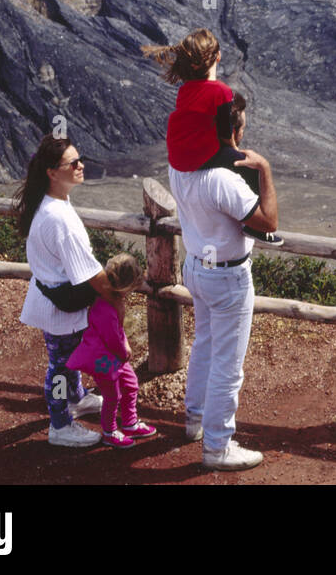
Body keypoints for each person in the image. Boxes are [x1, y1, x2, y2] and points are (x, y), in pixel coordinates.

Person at [168, 91, 281, 471]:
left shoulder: (179, 168)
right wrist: (263, 169)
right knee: (228, 365)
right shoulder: (222, 181)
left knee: (204, 343)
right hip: (229, 277)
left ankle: (194, 420)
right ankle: (218, 446)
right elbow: (268, 222)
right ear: (236, 129)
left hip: (197, 268)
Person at [16, 135, 114, 447]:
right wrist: (115, 295)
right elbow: (86, 270)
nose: (81, 165)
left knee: (67, 357)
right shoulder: (59, 219)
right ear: (52, 172)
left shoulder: (49, 204)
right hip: (61, 303)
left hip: (50, 296)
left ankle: (77, 397)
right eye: (73, 163)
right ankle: (60, 424)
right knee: (59, 367)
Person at [143, 29, 282, 247]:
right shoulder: (222, 92)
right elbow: (226, 134)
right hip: (200, 158)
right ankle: (254, 226)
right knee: (249, 165)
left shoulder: (185, 90)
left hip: (178, 158)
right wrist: (237, 152)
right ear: (218, 57)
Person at [65, 253, 158, 448]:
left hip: (114, 357)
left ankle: (130, 422)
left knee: (131, 384)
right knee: (112, 396)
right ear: (125, 286)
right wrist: (124, 351)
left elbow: (117, 332)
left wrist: (124, 347)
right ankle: (109, 431)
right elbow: (111, 338)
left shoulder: (113, 301)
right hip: (103, 359)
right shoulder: (105, 307)